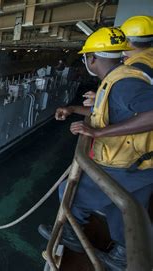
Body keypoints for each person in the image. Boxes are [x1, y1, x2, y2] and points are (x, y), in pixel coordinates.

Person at [38, 27, 153, 270]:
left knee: (71, 190)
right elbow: (107, 111)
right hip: (140, 163)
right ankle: (123, 255)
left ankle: (72, 234)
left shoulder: (124, 84)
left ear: (92, 58)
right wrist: (73, 109)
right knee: (123, 208)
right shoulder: (117, 78)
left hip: (130, 164)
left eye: (86, 57)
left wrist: (98, 133)